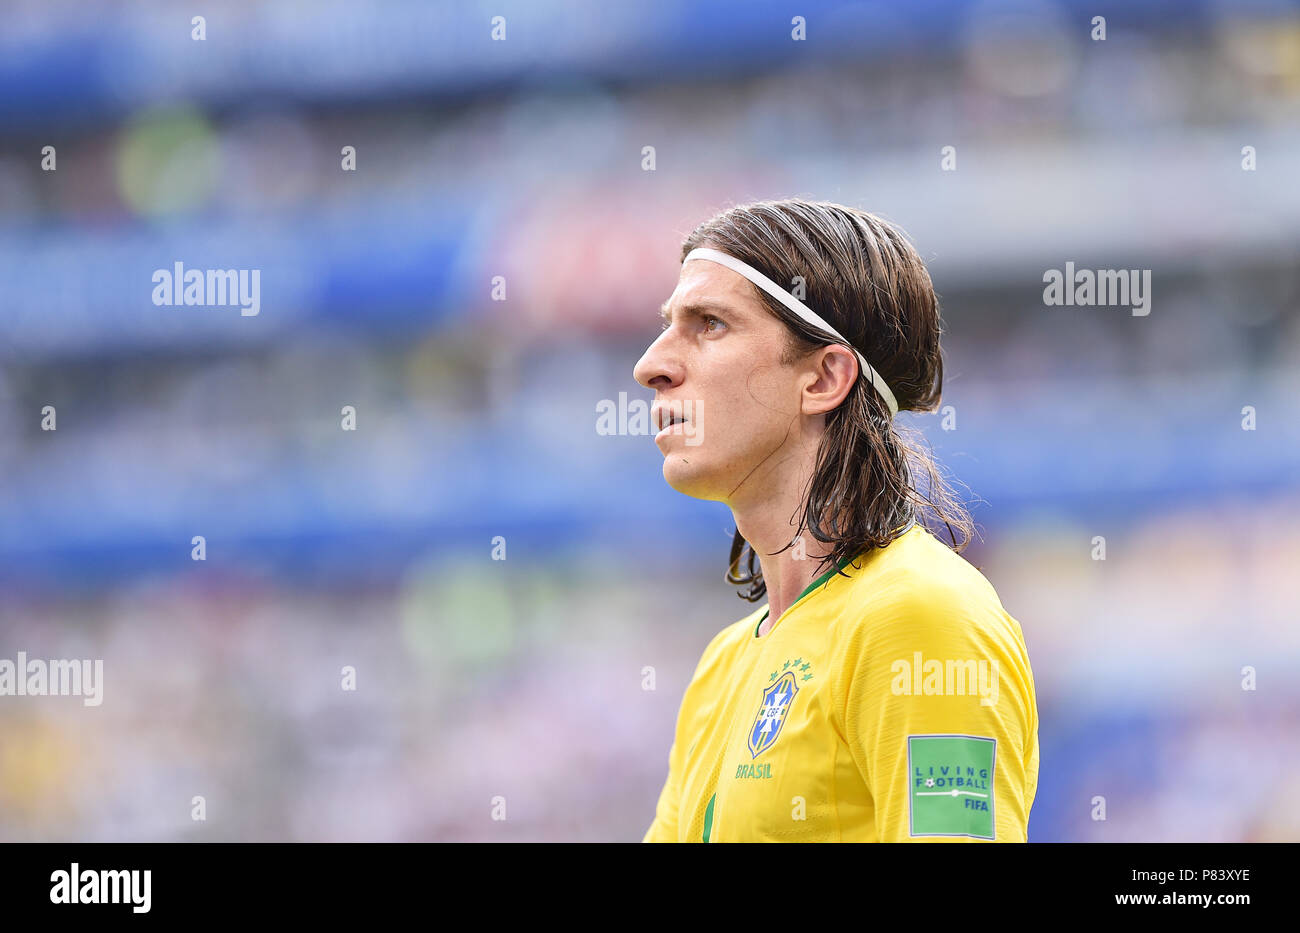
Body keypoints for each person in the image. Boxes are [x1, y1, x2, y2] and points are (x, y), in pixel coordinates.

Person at [633, 199, 1039, 842]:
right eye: (668, 325)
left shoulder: (922, 615)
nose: (651, 365)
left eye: (709, 324)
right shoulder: (725, 660)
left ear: (824, 378)